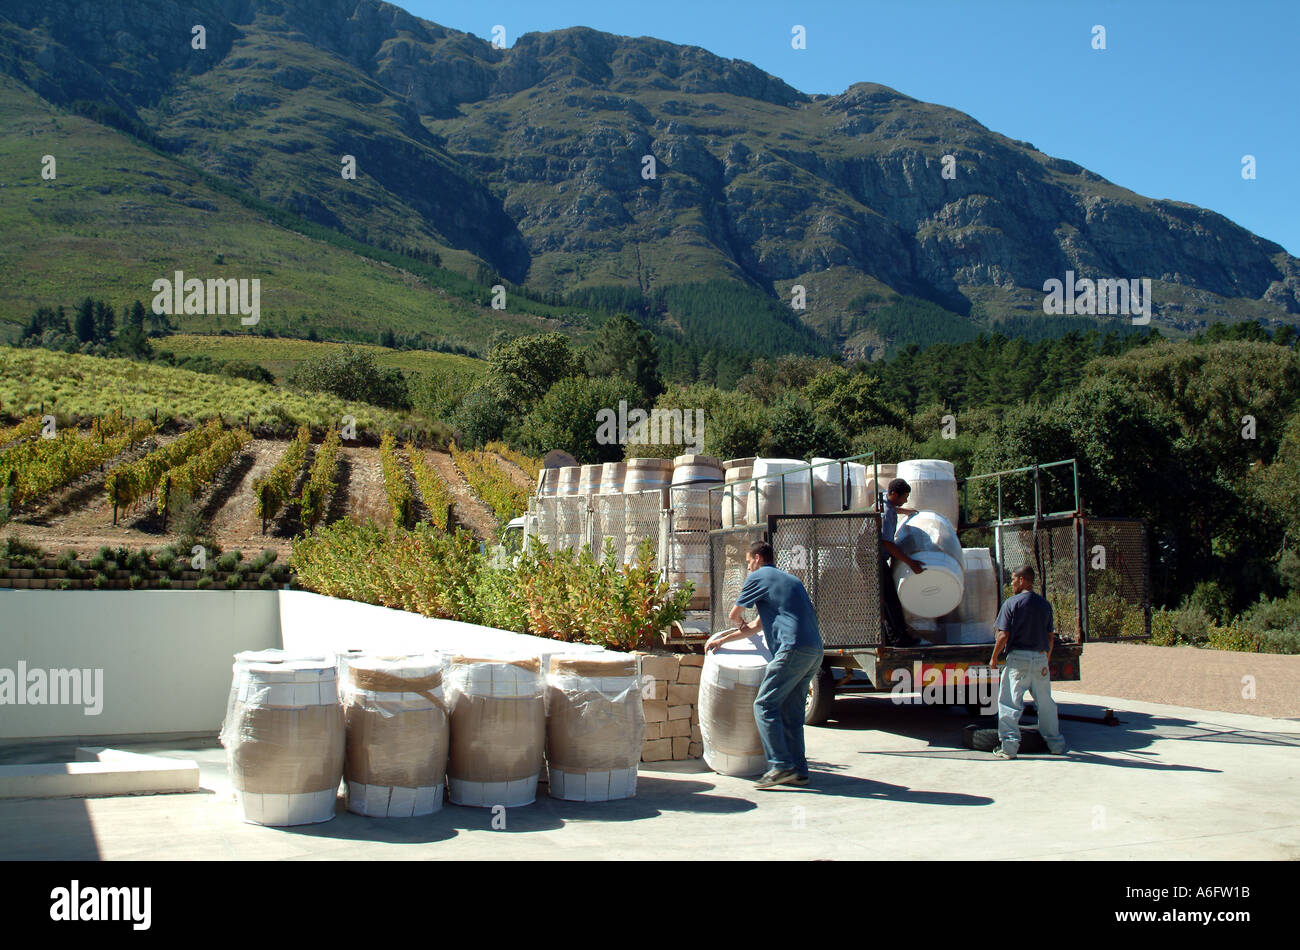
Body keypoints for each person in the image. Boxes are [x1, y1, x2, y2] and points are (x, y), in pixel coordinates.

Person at [706, 541, 824, 789]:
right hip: (814, 650)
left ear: (758, 559)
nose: (748, 566)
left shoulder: (759, 576)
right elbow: (757, 626)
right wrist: (723, 640)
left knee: (764, 705)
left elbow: (734, 615)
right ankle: (800, 771)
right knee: (791, 712)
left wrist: (734, 624)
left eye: (748, 561)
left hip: (792, 649)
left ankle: (780, 765)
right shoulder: (788, 581)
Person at [988, 565, 1067, 758]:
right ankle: (1056, 744)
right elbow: (1050, 638)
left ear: (1022, 580)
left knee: (1009, 704)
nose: (1011, 582)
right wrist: (1045, 661)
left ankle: (1009, 748)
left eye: (1014, 579)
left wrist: (994, 658)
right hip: (1040, 658)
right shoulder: (1044, 604)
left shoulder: (1011, 604)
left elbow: (1003, 635)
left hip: (1018, 660)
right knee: (1046, 703)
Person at [879, 478, 928, 647]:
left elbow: (893, 508)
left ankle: (889, 637)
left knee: (885, 599)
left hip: (871, 555)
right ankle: (898, 639)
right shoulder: (885, 511)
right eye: (904, 497)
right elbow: (887, 543)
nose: (906, 500)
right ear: (893, 494)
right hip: (870, 557)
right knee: (889, 599)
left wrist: (904, 510)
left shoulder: (885, 502)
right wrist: (911, 562)